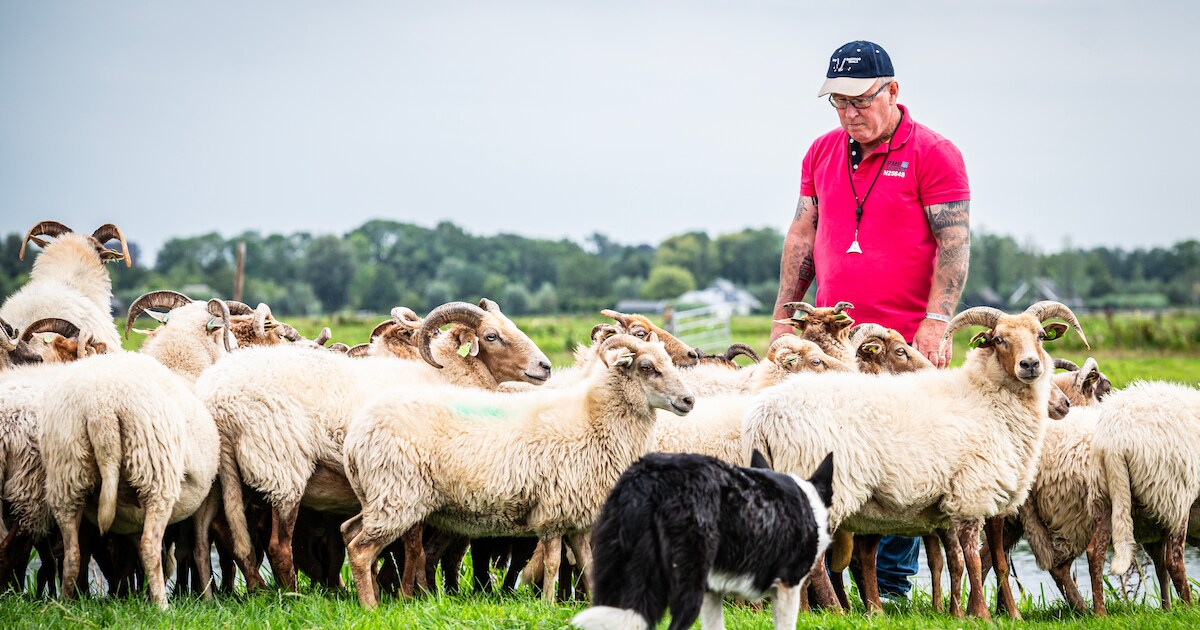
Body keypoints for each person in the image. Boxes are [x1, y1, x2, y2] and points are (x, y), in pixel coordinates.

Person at [770, 40, 971, 600]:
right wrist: (786, 319)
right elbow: (803, 234)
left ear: (893, 91)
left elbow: (953, 241)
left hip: (902, 340)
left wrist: (936, 323)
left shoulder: (935, 152)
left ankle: (892, 586)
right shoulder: (820, 152)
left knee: (901, 456)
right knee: (830, 455)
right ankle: (827, 579)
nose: (850, 113)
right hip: (831, 341)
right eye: (839, 102)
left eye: (860, 101)